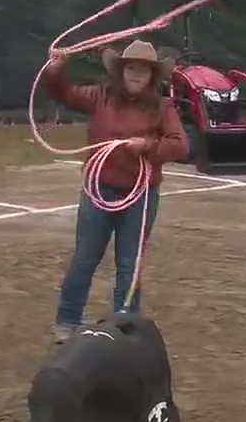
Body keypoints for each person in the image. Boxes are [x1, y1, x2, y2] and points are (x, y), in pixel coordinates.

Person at [41, 39, 189, 344]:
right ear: (121, 71)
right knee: (85, 257)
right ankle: (66, 321)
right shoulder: (100, 96)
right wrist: (55, 71)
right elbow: (63, 93)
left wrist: (147, 146)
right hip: (99, 190)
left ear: (151, 76)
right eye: (131, 68)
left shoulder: (162, 108)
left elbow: (180, 145)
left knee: (129, 265)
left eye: (143, 70)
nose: (136, 75)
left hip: (140, 197)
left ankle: (125, 327)